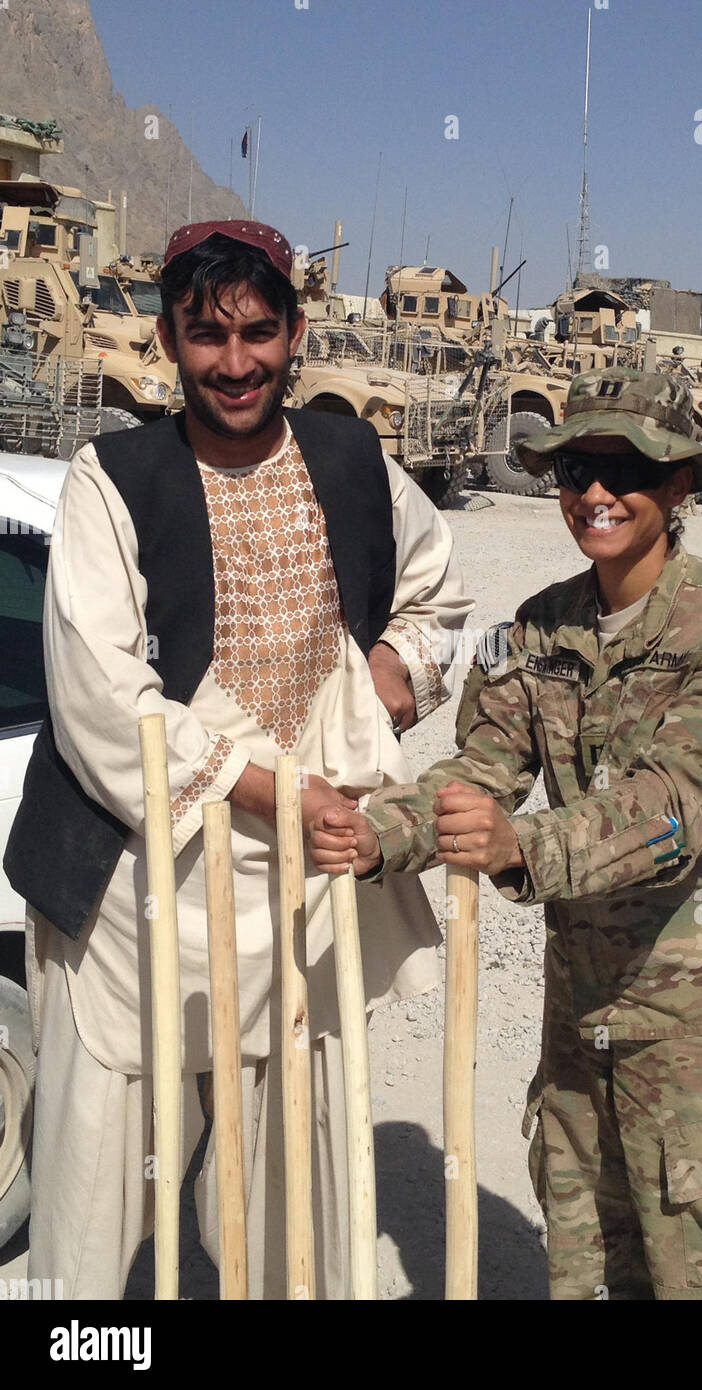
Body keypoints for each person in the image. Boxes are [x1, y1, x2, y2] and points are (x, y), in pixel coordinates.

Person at [4, 219, 473, 1300]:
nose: (235, 361)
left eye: (258, 332)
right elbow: (102, 701)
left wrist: (391, 681)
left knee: (288, 1196)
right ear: (169, 339)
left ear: (295, 333)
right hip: (137, 899)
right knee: (94, 1192)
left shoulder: (352, 460)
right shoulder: (109, 480)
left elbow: (437, 590)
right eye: (207, 335)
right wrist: (277, 789)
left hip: (302, 903)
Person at [312, 367, 702, 1301]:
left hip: (692, 1034)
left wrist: (522, 848)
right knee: (585, 1273)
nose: (593, 494)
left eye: (624, 472)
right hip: (581, 1024)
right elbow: (479, 773)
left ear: (679, 486)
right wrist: (378, 833)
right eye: (576, 468)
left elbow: (678, 808)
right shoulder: (535, 631)